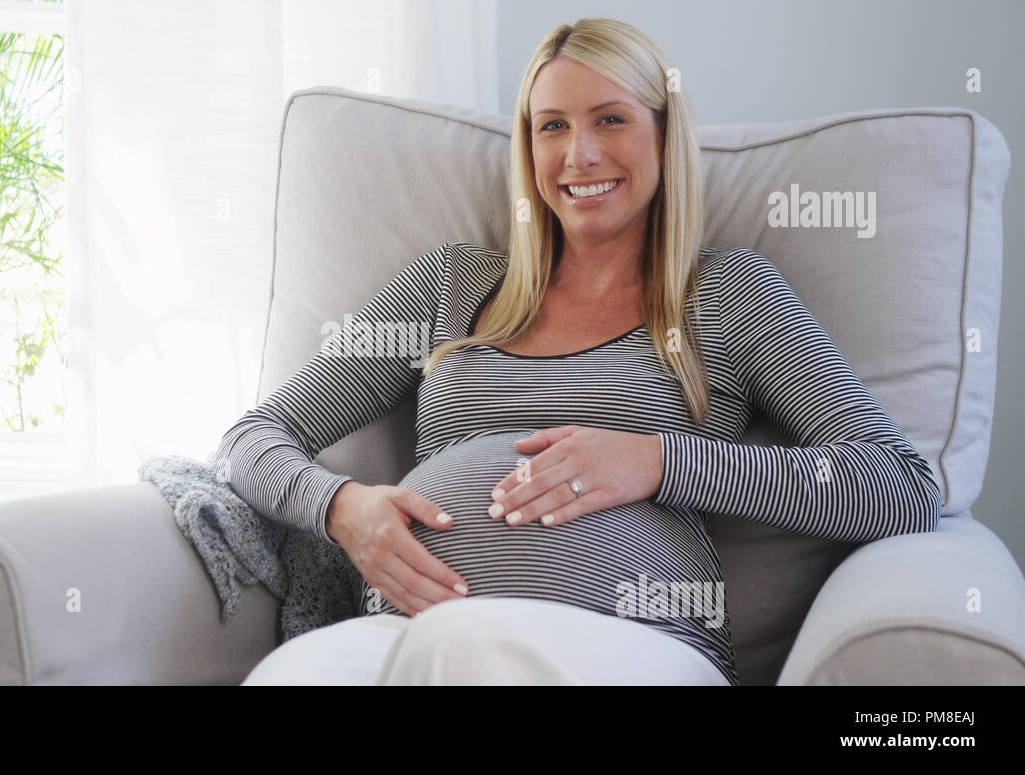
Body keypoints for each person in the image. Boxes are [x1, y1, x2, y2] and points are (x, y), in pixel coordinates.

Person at [213, 18, 942, 686]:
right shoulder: (450, 285)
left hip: (634, 641)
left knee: (463, 649)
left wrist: (656, 460)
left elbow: (900, 485)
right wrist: (344, 506)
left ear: (663, 135)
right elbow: (252, 439)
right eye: (551, 125)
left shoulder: (728, 293)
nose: (578, 153)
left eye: (611, 120)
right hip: (403, 632)